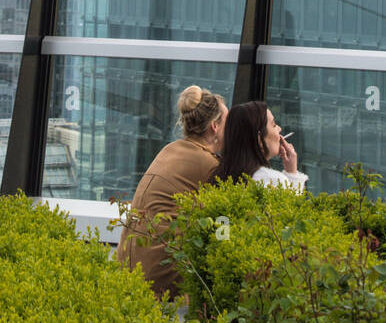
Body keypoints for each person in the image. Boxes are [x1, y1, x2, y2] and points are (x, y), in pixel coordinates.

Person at [116, 85, 228, 298]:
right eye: (227, 123)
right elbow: (223, 221)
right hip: (161, 287)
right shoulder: (209, 165)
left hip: (128, 271)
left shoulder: (170, 149)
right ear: (214, 126)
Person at [216, 100, 307, 192]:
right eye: (274, 125)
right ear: (259, 138)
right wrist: (292, 173)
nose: (279, 129)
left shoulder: (220, 172)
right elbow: (291, 205)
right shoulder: (272, 180)